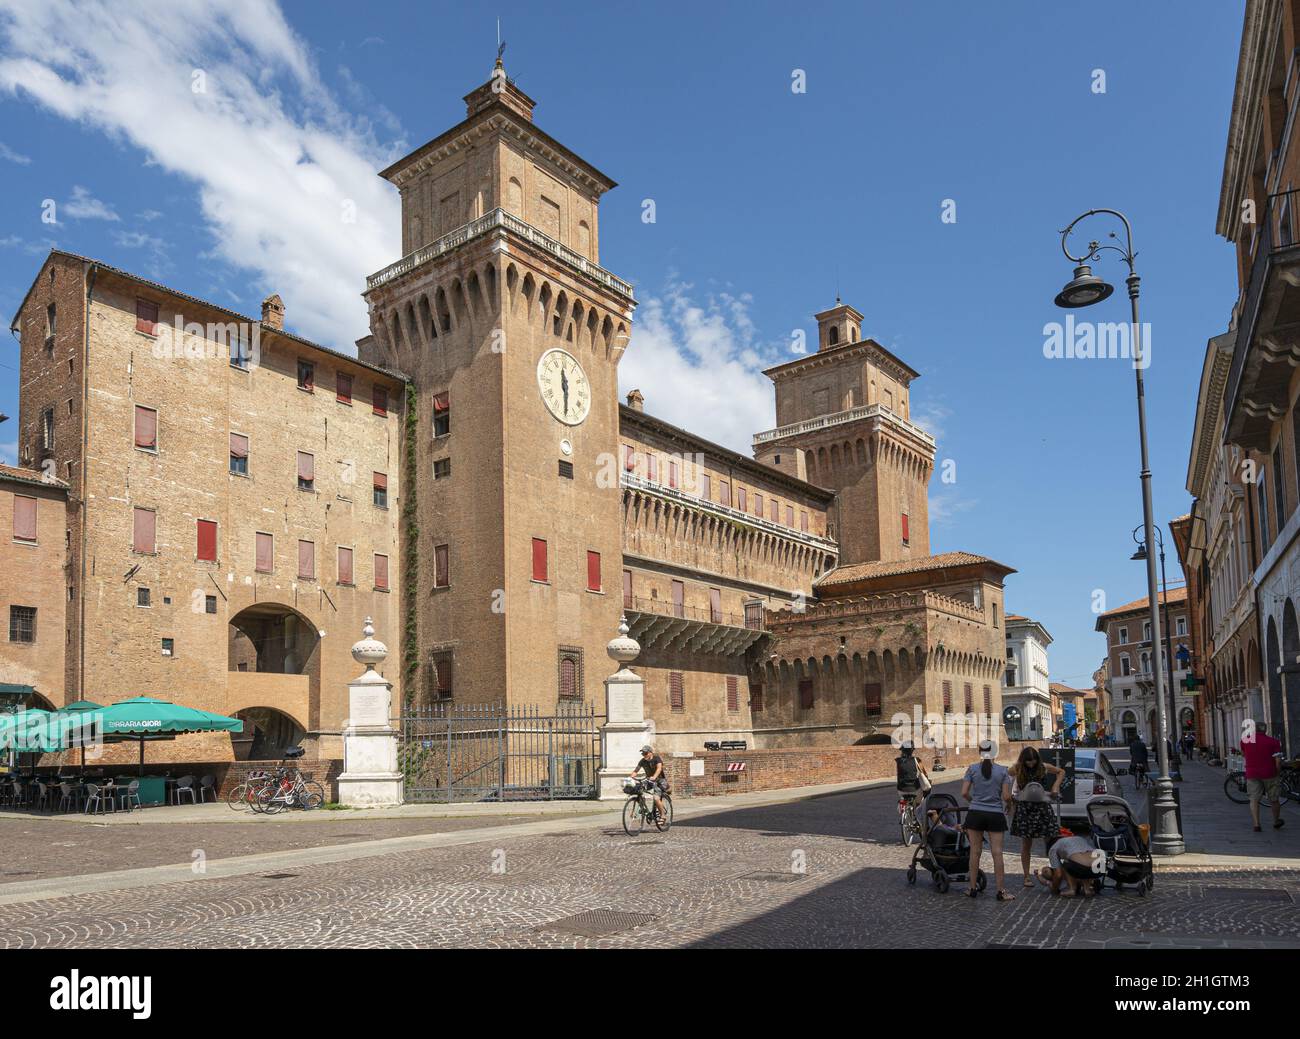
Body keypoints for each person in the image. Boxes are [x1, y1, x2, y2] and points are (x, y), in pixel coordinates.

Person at [961, 738, 1014, 901]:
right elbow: (1006, 796)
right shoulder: (1003, 771)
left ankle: (972, 888)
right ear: (995, 753)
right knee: (997, 853)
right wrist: (1010, 804)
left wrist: (974, 802)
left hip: (975, 813)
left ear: (980, 752)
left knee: (975, 852)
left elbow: (964, 793)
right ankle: (1001, 891)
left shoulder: (972, 769)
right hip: (995, 814)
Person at [1008, 746, 1065, 889]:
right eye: (1028, 762)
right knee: (1026, 844)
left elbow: (1061, 772)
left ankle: (1057, 872)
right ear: (1023, 760)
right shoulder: (1017, 768)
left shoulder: (1043, 767)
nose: (1031, 764)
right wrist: (1010, 798)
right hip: (1025, 809)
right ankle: (1026, 876)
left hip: (1042, 807)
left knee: (1052, 841)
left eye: (1033, 761)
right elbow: (1003, 778)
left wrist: (1055, 787)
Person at [1241, 722, 1285, 833]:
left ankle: (1256, 824)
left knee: (1254, 799)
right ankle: (1276, 821)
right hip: (1270, 773)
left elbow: (1244, 754)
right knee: (1274, 799)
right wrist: (1277, 771)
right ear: (1265, 730)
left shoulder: (1245, 740)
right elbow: (1278, 760)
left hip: (1252, 773)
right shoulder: (1274, 742)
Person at [1036, 821, 1098, 898]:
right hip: (1098, 869)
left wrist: (1054, 889)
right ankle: (1087, 889)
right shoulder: (1078, 838)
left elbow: (1058, 874)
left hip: (1083, 868)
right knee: (1081, 858)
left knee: (1065, 861)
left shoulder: (1054, 848)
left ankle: (1072, 889)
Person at [629, 744, 668, 822]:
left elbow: (659, 768)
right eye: (643, 753)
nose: (644, 755)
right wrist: (630, 777)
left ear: (651, 752)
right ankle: (643, 808)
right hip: (649, 780)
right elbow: (636, 770)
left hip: (660, 781)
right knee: (639, 791)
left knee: (656, 798)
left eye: (645, 753)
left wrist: (654, 777)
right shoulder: (643, 761)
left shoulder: (657, 759)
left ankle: (663, 815)